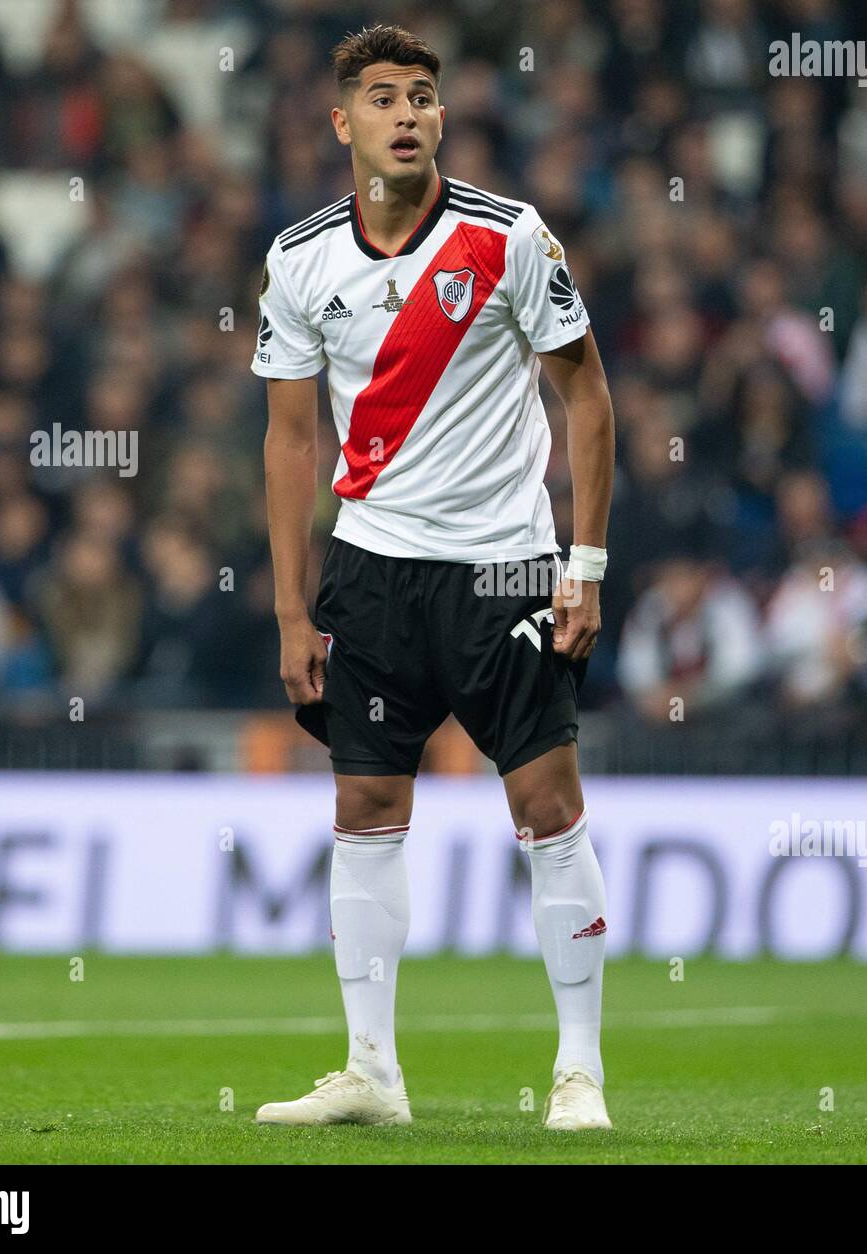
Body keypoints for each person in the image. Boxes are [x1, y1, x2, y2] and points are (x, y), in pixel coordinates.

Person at [251, 25, 616, 1132]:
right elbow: (286, 443)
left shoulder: (509, 239)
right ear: (342, 122)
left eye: (422, 96)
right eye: (382, 97)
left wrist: (584, 566)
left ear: (442, 118)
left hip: (505, 568)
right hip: (371, 572)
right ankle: (371, 1072)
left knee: (546, 805)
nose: (406, 114)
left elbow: (587, 396)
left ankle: (580, 1073)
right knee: (364, 803)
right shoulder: (299, 258)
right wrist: (287, 609)